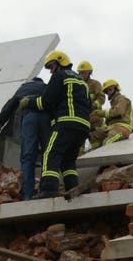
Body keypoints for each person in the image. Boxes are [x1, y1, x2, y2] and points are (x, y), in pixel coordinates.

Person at [19, 50, 90, 198]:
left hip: (65, 123)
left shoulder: (60, 76)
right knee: (68, 160)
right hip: (82, 127)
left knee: (50, 154)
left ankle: (48, 189)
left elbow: (45, 102)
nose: (50, 71)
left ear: (60, 62)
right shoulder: (82, 82)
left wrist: (29, 102)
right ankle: (73, 187)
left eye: (51, 66)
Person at [0, 77, 50, 200]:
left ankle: (28, 195)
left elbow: (8, 109)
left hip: (29, 119)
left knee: (28, 156)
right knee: (49, 154)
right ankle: (47, 190)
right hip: (46, 119)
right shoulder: (46, 87)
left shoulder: (23, 88)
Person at [89, 79, 133, 149]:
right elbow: (110, 116)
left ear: (116, 89)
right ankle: (95, 153)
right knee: (93, 135)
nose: (108, 92)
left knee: (107, 142)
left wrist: (100, 113)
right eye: (107, 91)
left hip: (122, 128)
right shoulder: (113, 103)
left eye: (110, 89)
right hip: (111, 127)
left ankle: (104, 157)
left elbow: (118, 112)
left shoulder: (122, 99)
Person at [76, 60, 106, 141]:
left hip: (94, 118)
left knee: (95, 140)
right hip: (81, 116)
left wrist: (93, 105)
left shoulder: (95, 84)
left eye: (85, 73)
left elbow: (101, 98)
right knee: (79, 141)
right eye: (81, 73)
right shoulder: (76, 85)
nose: (83, 75)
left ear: (89, 73)